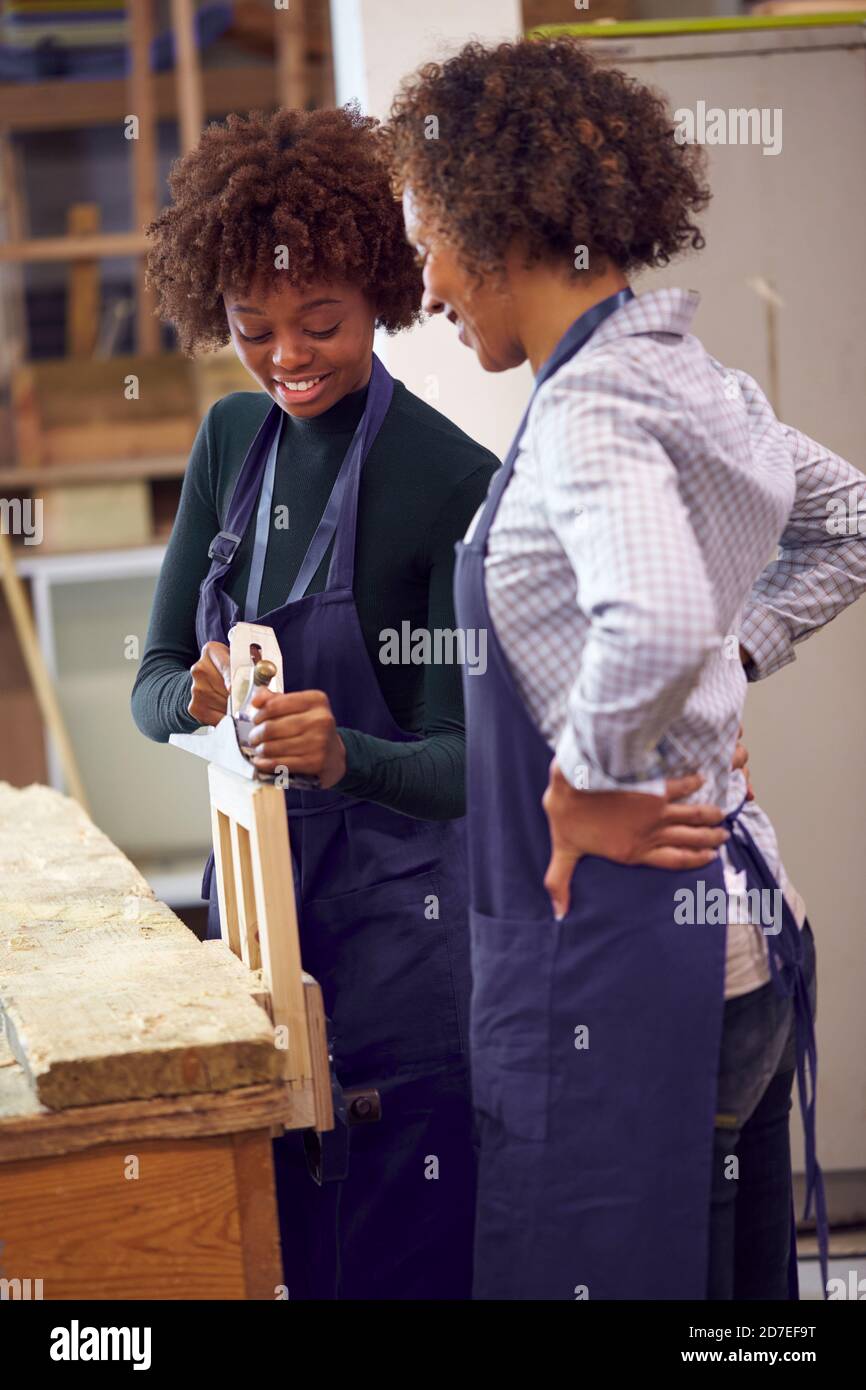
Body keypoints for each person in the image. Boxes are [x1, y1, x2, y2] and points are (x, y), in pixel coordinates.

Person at [388, 37, 866, 1299]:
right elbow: (850, 518)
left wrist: (587, 778)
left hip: (627, 969)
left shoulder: (593, 409)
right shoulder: (685, 374)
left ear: (492, 225)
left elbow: (651, 617)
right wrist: (735, 659)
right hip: (741, 946)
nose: (427, 282)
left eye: (428, 233)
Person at [131, 104, 504, 1300]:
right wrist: (188, 700)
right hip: (256, 941)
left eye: (321, 324)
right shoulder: (230, 439)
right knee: (282, 1260)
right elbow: (148, 688)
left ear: (380, 293)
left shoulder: (446, 478)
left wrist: (341, 753)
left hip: (405, 970)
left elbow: (467, 764)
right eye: (253, 330)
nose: (287, 357)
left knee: (400, 1264)